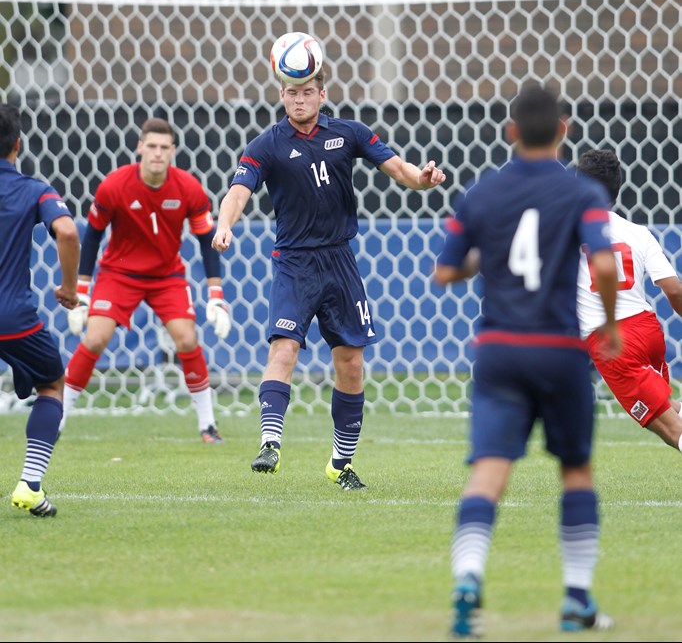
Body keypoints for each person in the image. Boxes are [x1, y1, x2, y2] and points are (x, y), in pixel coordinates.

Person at [433, 83, 621, 638]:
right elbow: (605, 265)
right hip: (560, 349)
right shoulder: (583, 192)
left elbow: (445, 272)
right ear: (563, 129)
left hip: (498, 351)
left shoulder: (483, 193)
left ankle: (467, 583)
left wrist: (479, 261)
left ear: (511, 131)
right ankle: (578, 599)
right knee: (576, 471)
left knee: (489, 472)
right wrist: (609, 323)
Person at [211, 66, 445, 489]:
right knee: (283, 349)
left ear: (322, 94)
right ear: (281, 95)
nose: (298, 100)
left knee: (351, 363)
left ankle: (340, 463)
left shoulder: (349, 133)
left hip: (339, 261)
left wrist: (422, 181)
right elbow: (239, 190)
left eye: (306, 92)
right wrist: (225, 223)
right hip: (294, 263)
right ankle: (270, 443)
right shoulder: (267, 145)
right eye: (291, 93)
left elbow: (398, 170)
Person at [61, 117, 231, 443]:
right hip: (118, 274)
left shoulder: (188, 188)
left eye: (164, 148)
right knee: (95, 338)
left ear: (173, 151)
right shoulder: (114, 185)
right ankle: (57, 419)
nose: (157, 153)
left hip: (167, 275)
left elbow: (206, 240)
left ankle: (208, 426)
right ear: (139, 147)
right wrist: (81, 292)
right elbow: (93, 236)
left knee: (187, 339)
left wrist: (216, 295)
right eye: (151, 146)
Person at [0, 103, 81, 517]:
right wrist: (69, 288)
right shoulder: (33, 189)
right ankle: (30, 484)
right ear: (17, 144)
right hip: (11, 317)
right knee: (52, 383)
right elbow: (67, 230)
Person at [576, 148, 682, 448]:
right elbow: (674, 289)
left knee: (674, 432)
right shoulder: (638, 232)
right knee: (666, 408)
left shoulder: (567, 231)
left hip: (613, 343)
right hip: (648, 330)